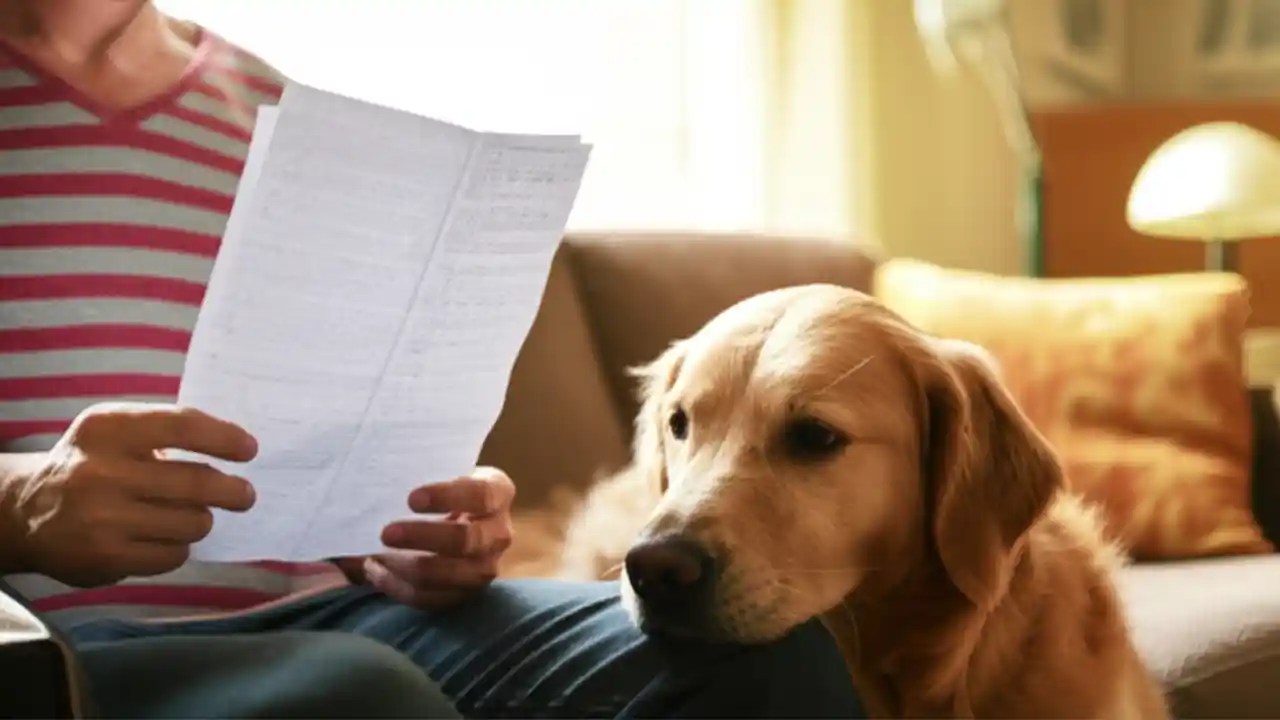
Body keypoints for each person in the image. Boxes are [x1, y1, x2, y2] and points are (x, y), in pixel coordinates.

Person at [0, 0, 867, 717]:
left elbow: (330, 478)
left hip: (338, 614)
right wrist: (19, 505)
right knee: (356, 698)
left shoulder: (279, 112)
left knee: (764, 661)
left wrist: (403, 536)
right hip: (44, 643)